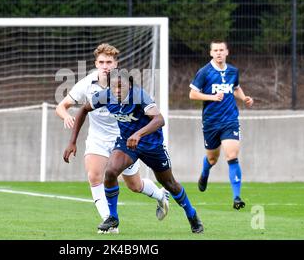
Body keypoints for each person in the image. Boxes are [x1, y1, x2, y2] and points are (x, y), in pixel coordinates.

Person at [64, 70, 204, 234]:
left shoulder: (139, 96)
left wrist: (138, 134)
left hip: (152, 144)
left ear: (129, 85)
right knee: (110, 172)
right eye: (113, 86)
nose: (117, 90)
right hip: (127, 143)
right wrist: (72, 141)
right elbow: (83, 110)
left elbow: (159, 119)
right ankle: (113, 217)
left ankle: (192, 214)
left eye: (120, 86)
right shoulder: (105, 95)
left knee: (169, 184)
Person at [57, 44, 169, 233]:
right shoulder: (87, 83)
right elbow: (62, 106)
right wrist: (67, 117)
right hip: (97, 139)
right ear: (95, 64)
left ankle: (160, 195)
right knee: (94, 176)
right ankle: (109, 222)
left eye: (109, 62)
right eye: (101, 62)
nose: (105, 66)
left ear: (116, 64)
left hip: (123, 140)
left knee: (134, 185)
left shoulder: (127, 85)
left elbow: (146, 111)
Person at [189, 40, 254, 210]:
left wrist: (244, 97)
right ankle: (205, 173)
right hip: (211, 122)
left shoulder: (233, 71)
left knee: (232, 155)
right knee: (212, 158)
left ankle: (237, 197)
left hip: (230, 120)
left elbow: (235, 88)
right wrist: (211, 97)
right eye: (215, 50)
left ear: (227, 52)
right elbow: (192, 94)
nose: (218, 53)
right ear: (211, 53)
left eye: (221, 50)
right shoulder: (204, 72)